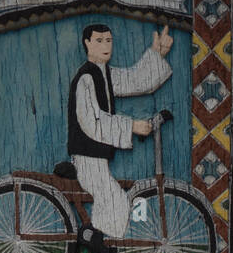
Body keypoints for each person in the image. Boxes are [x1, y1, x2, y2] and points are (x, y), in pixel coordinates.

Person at [67, 23, 173, 241]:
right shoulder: (86, 78)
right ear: (87, 43)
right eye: (99, 41)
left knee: (112, 197)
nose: (106, 45)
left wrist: (157, 54)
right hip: (87, 157)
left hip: (98, 157)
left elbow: (134, 80)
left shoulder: (105, 74)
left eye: (108, 40)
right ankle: (96, 242)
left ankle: (98, 239)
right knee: (114, 199)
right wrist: (131, 126)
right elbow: (92, 121)